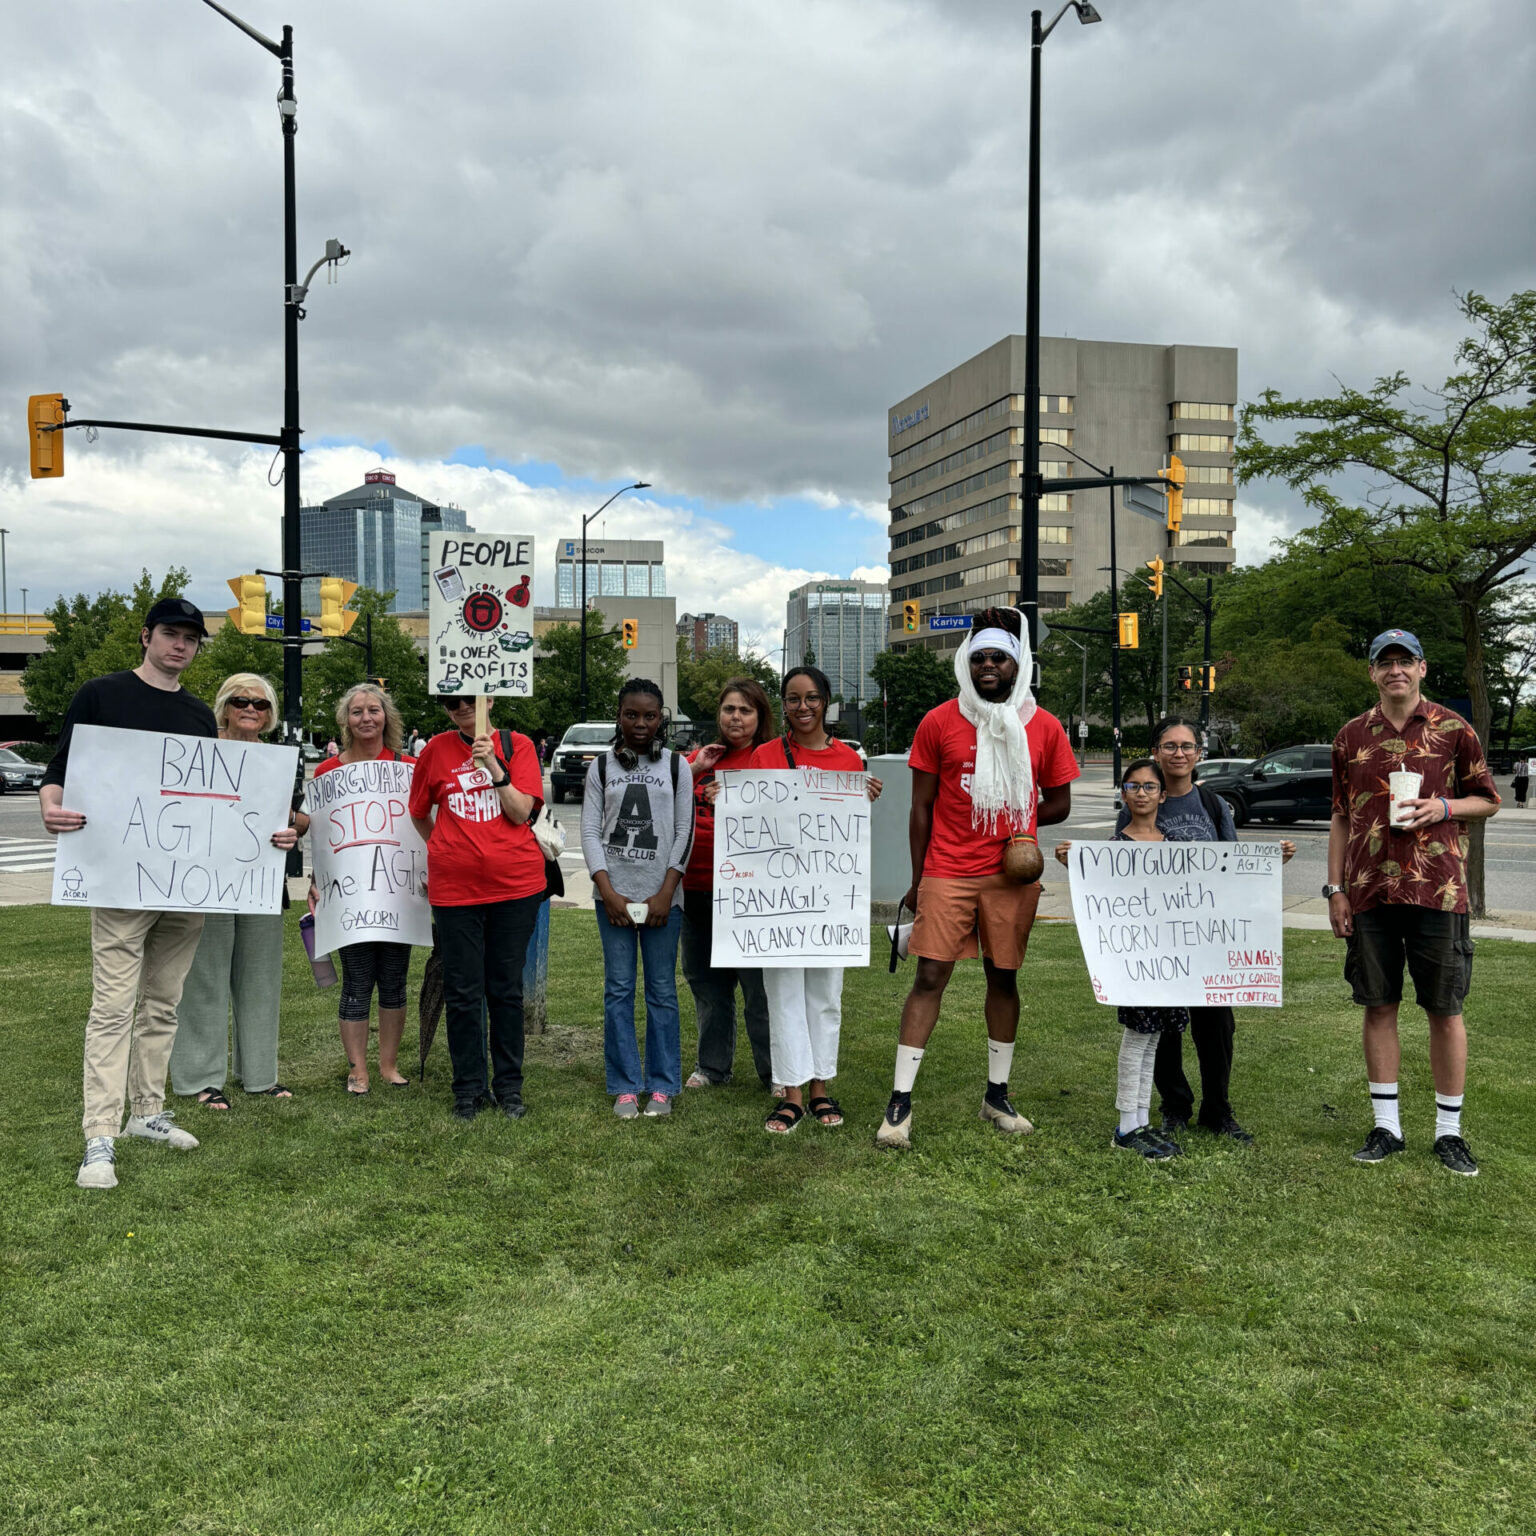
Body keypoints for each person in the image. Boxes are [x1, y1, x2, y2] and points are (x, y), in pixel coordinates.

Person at [41, 599, 291, 1191]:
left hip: (185, 886)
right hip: (119, 880)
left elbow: (221, 808)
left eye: (191, 638)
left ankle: (148, 1111)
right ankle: (99, 1133)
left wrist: (270, 834)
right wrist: (51, 804)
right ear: (146, 637)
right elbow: (63, 766)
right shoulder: (101, 695)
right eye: (171, 635)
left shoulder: (198, 717)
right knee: (112, 1007)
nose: (180, 646)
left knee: (163, 1003)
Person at [875, 609, 1075, 1150]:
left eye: (999, 658)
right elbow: (921, 808)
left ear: (1018, 664)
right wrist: (918, 879)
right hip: (949, 868)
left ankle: (997, 1093)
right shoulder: (940, 720)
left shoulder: (1044, 725)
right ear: (967, 662)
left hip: (1011, 874)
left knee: (1004, 977)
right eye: (980, 657)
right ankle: (900, 1100)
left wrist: (1022, 819)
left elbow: (1059, 800)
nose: (989, 665)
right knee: (930, 976)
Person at [1328, 628, 1500, 1175]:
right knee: (1378, 1005)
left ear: (1422, 669)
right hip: (1370, 890)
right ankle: (1387, 1127)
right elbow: (1339, 816)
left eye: (1405, 661)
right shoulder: (1351, 736)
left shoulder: (1453, 728)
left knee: (1445, 1010)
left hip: (1439, 889)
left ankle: (1449, 1133)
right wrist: (1335, 890)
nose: (1395, 670)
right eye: (1385, 662)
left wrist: (1444, 808)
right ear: (1372, 672)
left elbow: (1488, 800)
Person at [1114, 716, 1294, 1145]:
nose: (1179, 753)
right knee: (1164, 1028)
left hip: (1211, 938)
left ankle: (1218, 1109)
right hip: (1160, 939)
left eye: (1187, 746)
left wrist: (1268, 864)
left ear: (1199, 753)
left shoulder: (1213, 805)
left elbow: (1231, 866)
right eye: (1169, 746)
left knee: (1216, 1028)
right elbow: (1117, 869)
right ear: (1156, 752)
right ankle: (1174, 1106)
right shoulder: (1141, 801)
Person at [749, 666, 882, 1134]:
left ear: (826, 701)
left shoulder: (849, 761)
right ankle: (791, 1094)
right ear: (782, 704)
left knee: (825, 995)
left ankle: (822, 1087)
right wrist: (724, 798)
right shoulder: (764, 756)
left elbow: (850, 832)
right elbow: (751, 816)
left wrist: (864, 798)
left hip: (829, 898)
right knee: (782, 992)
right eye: (791, 698)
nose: (801, 707)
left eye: (810, 698)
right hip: (778, 896)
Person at [409, 696, 547, 1120]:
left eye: (469, 700)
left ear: (489, 699)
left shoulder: (518, 745)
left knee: (505, 989)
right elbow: (418, 813)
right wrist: (445, 848)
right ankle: (468, 1087)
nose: (460, 707)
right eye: (451, 702)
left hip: (515, 887)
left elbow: (523, 812)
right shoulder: (435, 750)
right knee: (463, 991)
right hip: (456, 892)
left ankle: (509, 1087)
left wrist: (494, 767)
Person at [170, 672, 297, 1109]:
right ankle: (199, 1078)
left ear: (269, 715)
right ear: (223, 706)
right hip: (203, 883)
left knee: (261, 979)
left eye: (260, 704)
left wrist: (291, 831)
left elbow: (295, 816)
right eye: (241, 700)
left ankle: (260, 1076)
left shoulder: (279, 761)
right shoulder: (197, 753)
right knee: (203, 980)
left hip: (260, 882)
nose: (250, 709)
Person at [1057, 759, 1188, 1160]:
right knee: (1137, 1037)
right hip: (1134, 962)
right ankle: (1126, 1125)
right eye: (1133, 787)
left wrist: (1275, 861)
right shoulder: (1113, 850)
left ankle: (1142, 1119)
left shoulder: (1176, 848)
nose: (1142, 794)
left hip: (1169, 961)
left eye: (1150, 787)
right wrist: (1073, 863)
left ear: (1163, 796)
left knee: (1155, 1040)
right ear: (1123, 794)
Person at [581, 679, 695, 1119]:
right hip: (613, 896)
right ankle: (626, 1085)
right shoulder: (602, 767)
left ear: (661, 717)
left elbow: (684, 833)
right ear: (619, 715)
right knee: (619, 989)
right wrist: (606, 890)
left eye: (650, 715)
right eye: (632, 714)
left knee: (662, 991)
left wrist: (667, 891)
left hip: (664, 897)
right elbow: (590, 831)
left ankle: (662, 1085)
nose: (641, 723)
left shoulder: (676, 766)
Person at [299, 683, 415, 1095]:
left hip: (397, 891)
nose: (366, 718)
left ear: (387, 717)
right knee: (357, 980)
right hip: (348, 894)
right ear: (345, 721)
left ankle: (388, 1066)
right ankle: (357, 1070)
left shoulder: (408, 766)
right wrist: (316, 880)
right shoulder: (328, 771)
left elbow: (419, 827)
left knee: (394, 979)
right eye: (356, 712)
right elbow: (323, 835)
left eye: (373, 710)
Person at [681, 679, 776, 1090]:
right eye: (728, 709)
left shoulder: (771, 759)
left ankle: (775, 1073)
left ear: (760, 717)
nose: (735, 717)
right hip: (696, 887)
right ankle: (712, 1067)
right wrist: (696, 768)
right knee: (707, 985)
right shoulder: (700, 759)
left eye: (745, 710)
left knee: (759, 991)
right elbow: (656, 796)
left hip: (750, 895)